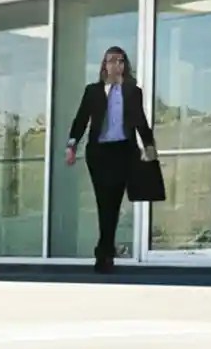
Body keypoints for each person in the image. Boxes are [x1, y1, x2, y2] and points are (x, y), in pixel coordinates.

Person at [64, 46, 157, 273]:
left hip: (123, 152)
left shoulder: (132, 91)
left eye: (120, 61)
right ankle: (105, 250)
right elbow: (81, 119)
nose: (116, 65)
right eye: (111, 61)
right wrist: (71, 145)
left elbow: (140, 121)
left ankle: (104, 252)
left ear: (125, 65)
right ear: (104, 65)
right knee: (103, 202)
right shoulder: (92, 91)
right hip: (99, 154)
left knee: (113, 204)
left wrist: (149, 147)